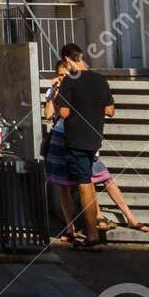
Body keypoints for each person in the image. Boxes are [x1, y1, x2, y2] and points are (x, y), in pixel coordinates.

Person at [55, 43, 115, 250]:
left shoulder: (70, 82)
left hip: (76, 139)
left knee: (84, 185)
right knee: (87, 181)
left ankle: (92, 237)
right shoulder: (100, 79)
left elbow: (63, 114)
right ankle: (91, 232)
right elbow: (110, 110)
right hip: (95, 138)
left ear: (66, 60)